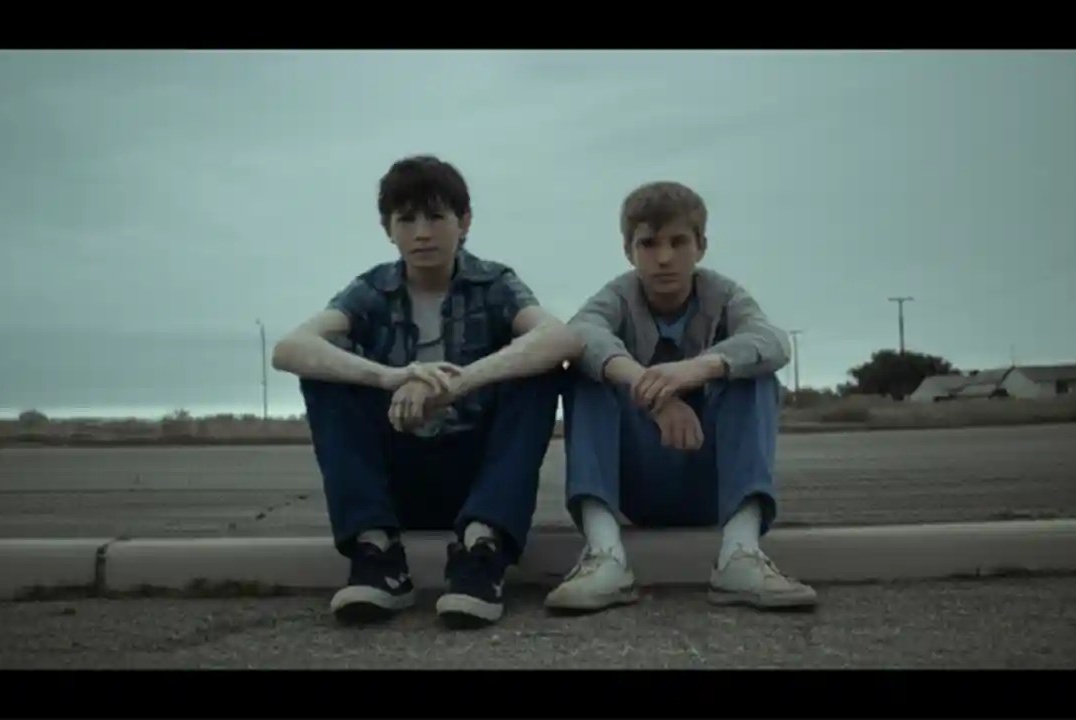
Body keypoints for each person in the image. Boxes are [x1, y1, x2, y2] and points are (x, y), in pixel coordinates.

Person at [271, 155, 583, 628]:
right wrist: (389, 377)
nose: (422, 232)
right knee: (323, 371)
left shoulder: (493, 283)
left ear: (464, 222)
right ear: (387, 229)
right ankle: (377, 557)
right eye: (407, 219)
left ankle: (483, 550)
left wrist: (457, 384)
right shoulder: (372, 290)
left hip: (476, 479)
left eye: (436, 216)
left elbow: (562, 339)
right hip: (397, 477)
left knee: (539, 370)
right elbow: (291, 347)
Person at [546, 180, 817, 613]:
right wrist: (654, 393)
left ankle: (740, 556)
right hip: (638, 484)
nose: (664, 258)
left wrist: (697, 368)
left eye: (678, 242)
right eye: (649, 244)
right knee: (584, 373)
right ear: (628, 251)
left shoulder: (723, 294)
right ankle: (604, 557)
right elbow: (579, 334)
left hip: (712, 482)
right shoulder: (618, 295)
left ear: (701, 245)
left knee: (755, 374)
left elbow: (772, 341)